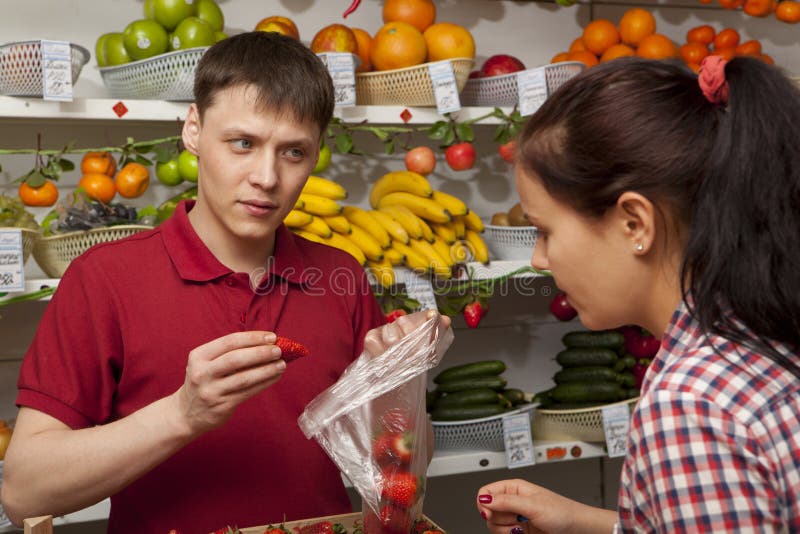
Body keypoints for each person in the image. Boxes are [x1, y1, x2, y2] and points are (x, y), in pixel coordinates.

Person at [1, 31, 447, 533]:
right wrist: (183, 414)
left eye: (294, 152)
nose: (266, 176)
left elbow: (401, 466)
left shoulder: (340, 274)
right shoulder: (104, 278)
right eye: (243, 143)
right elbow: (23, 492)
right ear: (193, 128)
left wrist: (399, 386)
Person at [476, 55, 800, 533]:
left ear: (635, 224)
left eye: (544, 231)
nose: (539, 260)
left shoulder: (689, 408)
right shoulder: (759, 328)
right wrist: (578, 522)